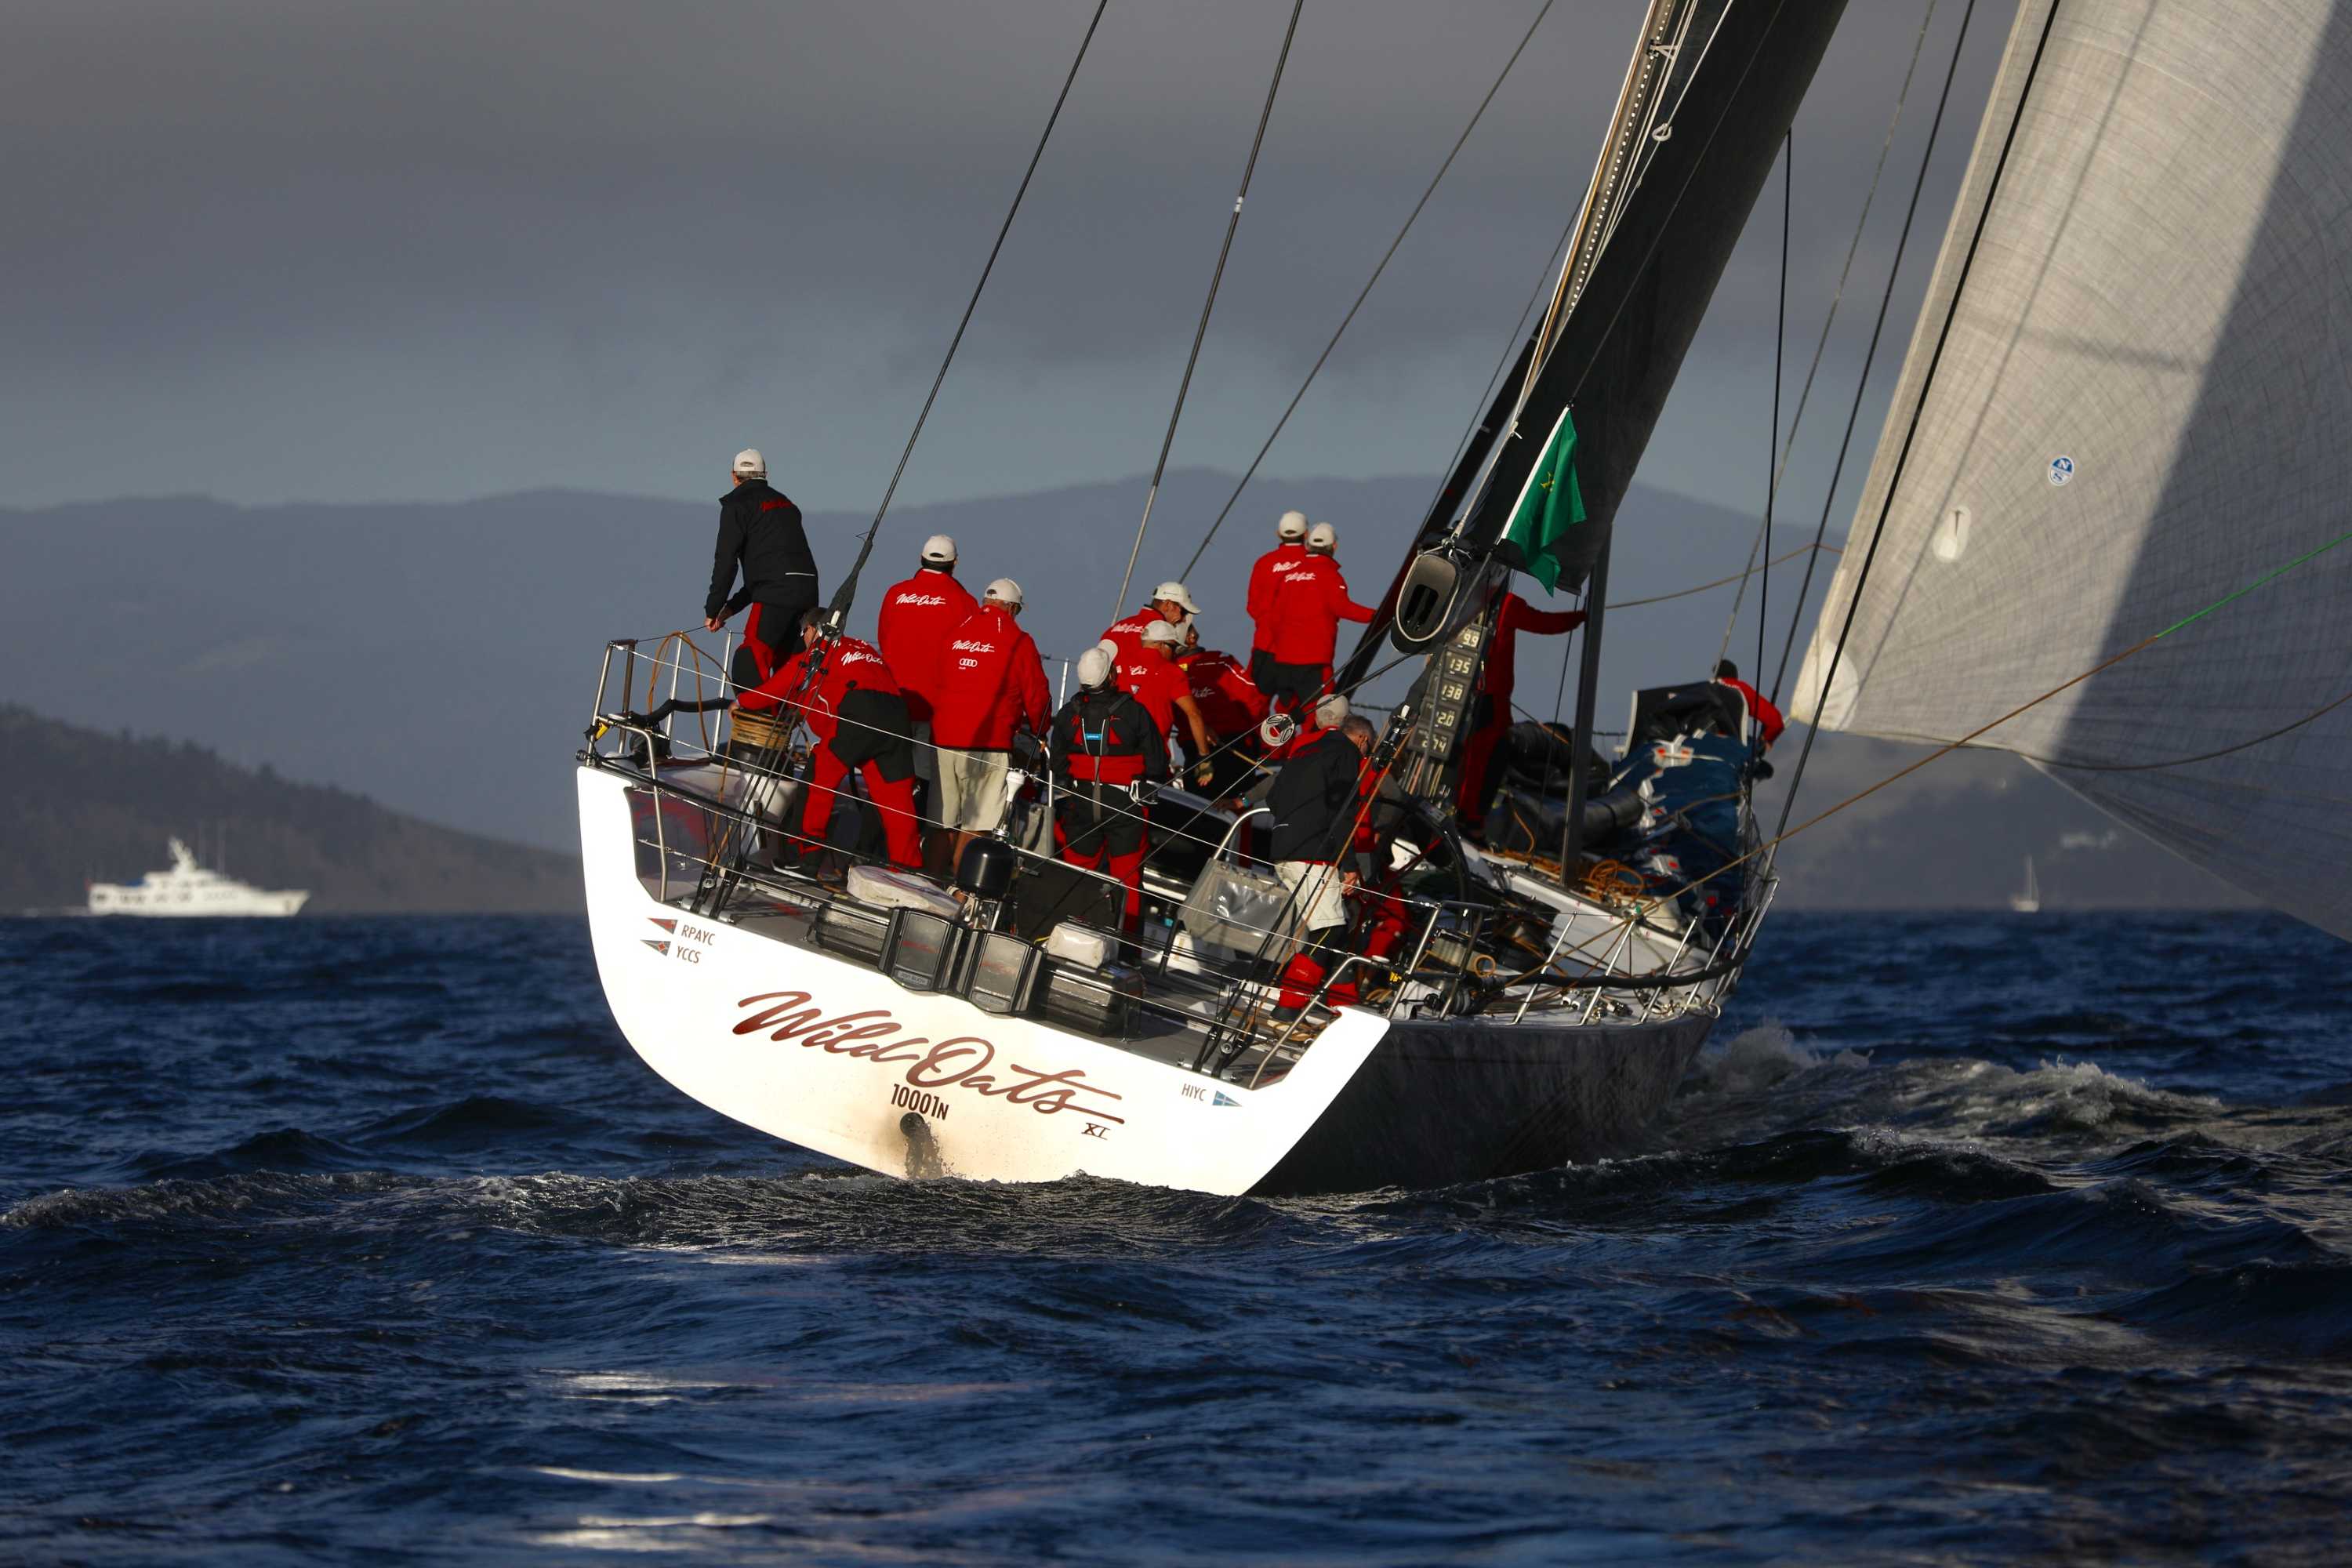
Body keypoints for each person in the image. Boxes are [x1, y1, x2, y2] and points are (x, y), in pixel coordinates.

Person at [739, 609, 923, 870]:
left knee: (819, 778)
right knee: (897, 802)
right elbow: (819, 696)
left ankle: (808, 857)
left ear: (813, 630)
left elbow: (773, 691)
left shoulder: (818, 652)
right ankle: (908, 872)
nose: (803, 639)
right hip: (896, 717)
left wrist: (742, 702)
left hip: (861, 713)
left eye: (804, 633)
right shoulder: (864, 650)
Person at [1265, 706, 1378, 1027]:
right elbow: (1343, 813)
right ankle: (1286, 1009)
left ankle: (1345, 1011)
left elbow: (1273, 799)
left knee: (1329, 931)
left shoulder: (1305, 750)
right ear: (1362, 740)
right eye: (1368, 747)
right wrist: (1351, 865)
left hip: (1283, 847)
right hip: (1313, 853)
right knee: (1330, 931)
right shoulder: (1347, 756)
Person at [931, 578, 1053, 868]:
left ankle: (928, 883)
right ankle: (960, 895)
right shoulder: (1019, 640)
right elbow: (1037, 697)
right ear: (1011, 608)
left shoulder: (955, 633)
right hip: (988, 742)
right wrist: (1040, 731)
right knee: (978, 824)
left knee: (940, 821)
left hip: (942, 738)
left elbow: (937, 680)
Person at [1048, 646, 1168, 931]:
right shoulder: (1134, 712)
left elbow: (1057, 764)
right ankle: (1127, 952)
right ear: (1112, 675)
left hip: (1081, 803)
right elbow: (1158, 765)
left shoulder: (1068, 715)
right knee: (1127, 879)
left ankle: (1068, 934)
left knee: (1078, 873)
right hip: (1125, 806)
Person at [1456, 589, 1588, 839]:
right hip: (1490, 698)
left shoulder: (1461, 597)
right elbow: (1543, 623)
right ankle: (1471, 821)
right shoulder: (1506, 603)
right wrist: (1580, 617)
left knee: (1472, 757)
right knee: (1485, 759)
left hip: (1464, 692)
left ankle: (1465, 816)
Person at [703, 448, 819, 687]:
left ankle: (756, 720)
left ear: (734, 476)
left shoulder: (736, 505)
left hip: (775, 594)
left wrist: (713, 609)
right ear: (765, 475)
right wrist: (729, 610)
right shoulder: (787, 505)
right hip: (807, 592)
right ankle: (786, 718)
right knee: (790, 664)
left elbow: (726, 561)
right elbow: (768, 573)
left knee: (750, 658)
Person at [1261, 521, 1374, 707]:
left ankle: (1272, 737)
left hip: (1284, 659)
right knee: (1321, 710)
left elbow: (1273, 616)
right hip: (1315, 661)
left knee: (1284, 712)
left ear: (1308, 545)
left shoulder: (1288, 576)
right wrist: (1380, 616)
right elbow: (1344, 608)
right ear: (1334, 547)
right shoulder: (1329, 575)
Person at [875, 535, 976, 730]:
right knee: (924, 760)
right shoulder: (965, 602)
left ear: (921, 558)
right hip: (936, 706)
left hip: (893, 699)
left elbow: (883, 638)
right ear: (954, 563)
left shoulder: (895, 593)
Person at [1115, 619, 1216, 792]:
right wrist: (1204, 757)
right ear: (1162, 645)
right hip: (1152, 761)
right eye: (1174, 648)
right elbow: (1194, 714)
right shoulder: (1171, 671)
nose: (1176, 654)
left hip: (1114, 758)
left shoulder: (1118, 666)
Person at [1176, 622, 1269, 795]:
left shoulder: (1170, 672)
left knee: (1199, 811)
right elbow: (1254, 701)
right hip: (1234, 748)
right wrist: (1258, 740)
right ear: (1191, 637)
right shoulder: (1222, 661)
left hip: (1196, 751)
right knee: (1237, 810)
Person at [1245, 510, 1310, 687]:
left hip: (1266, 645)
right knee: (1299, 706)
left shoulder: (1264, 563)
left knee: (1256, 702)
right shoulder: (1315, 564)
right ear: (1306, 534)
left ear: (1279, 534)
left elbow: (1252, 606)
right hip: (1303, 650)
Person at [1100, 581, 1201, 661]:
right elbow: (1164, 672)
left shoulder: (1118, 626)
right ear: (1168, 605)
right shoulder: (1162, 635)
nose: (1183, 619)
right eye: (1183, 612)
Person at [1714, 659, 1785, 749]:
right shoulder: (1743, 689)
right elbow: (1776, 723)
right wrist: (1765, 740)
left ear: (1715, 675)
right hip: (1730, 749)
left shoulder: (1706, 688)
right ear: (1735, 676)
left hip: (1700, 747)